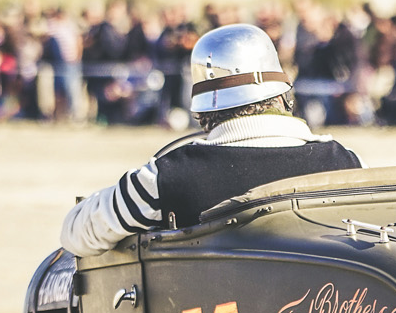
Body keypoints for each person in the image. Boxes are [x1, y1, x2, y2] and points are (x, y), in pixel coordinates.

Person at [59, 23, 359, 257]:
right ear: (282, 94)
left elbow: (75, 232)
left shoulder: (165, 178)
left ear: (204, 111)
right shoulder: (348, 165)